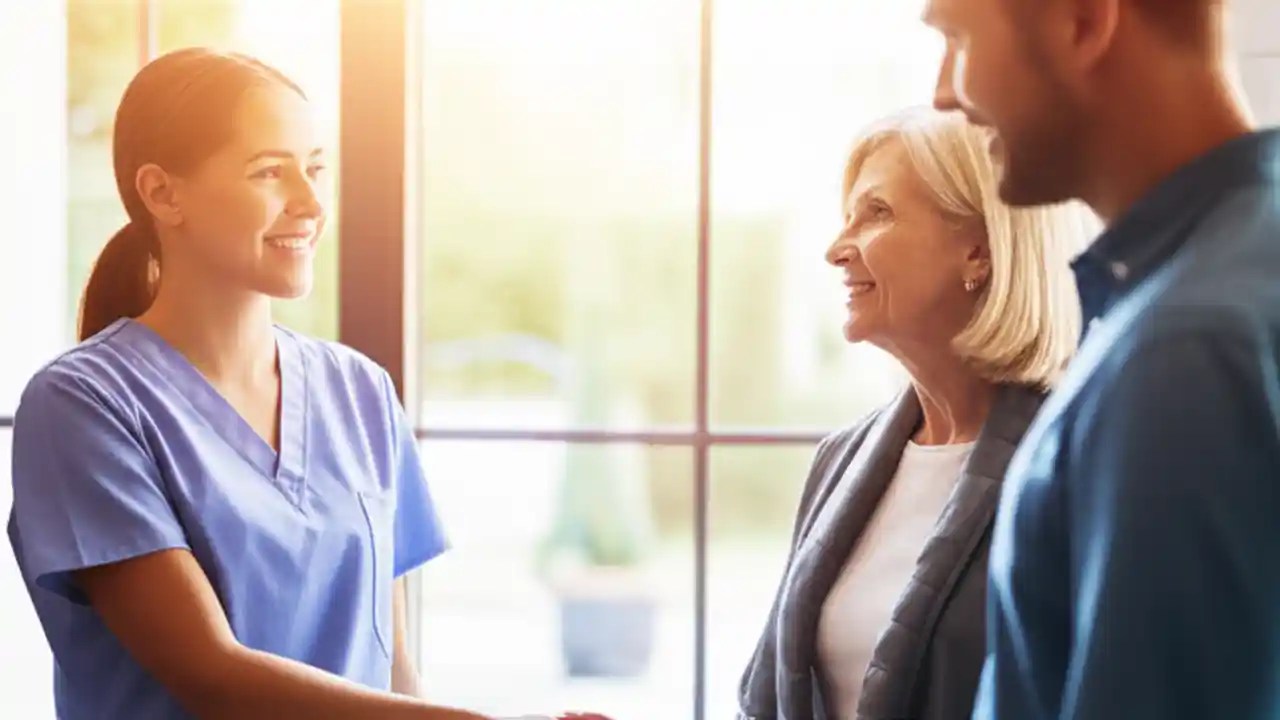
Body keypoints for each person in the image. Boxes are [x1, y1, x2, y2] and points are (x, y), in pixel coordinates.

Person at [4, 47, 595, 720]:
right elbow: (212, 676)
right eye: (269, 172)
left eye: (316, 168)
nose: (311, 202)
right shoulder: (82, 405)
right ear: (163, 193)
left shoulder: (360, 391)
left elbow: (395, 675)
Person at [922, 0, 1280, 718]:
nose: (944, 92)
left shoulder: (1184, 353)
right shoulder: (1222, 279)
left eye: (958, 38)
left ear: (1083, 19)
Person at [737, 107, 1096, 720]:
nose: (836, 249)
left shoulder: (1075, 465)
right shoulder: (841, 460)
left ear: (979, 252)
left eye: (876, 212)